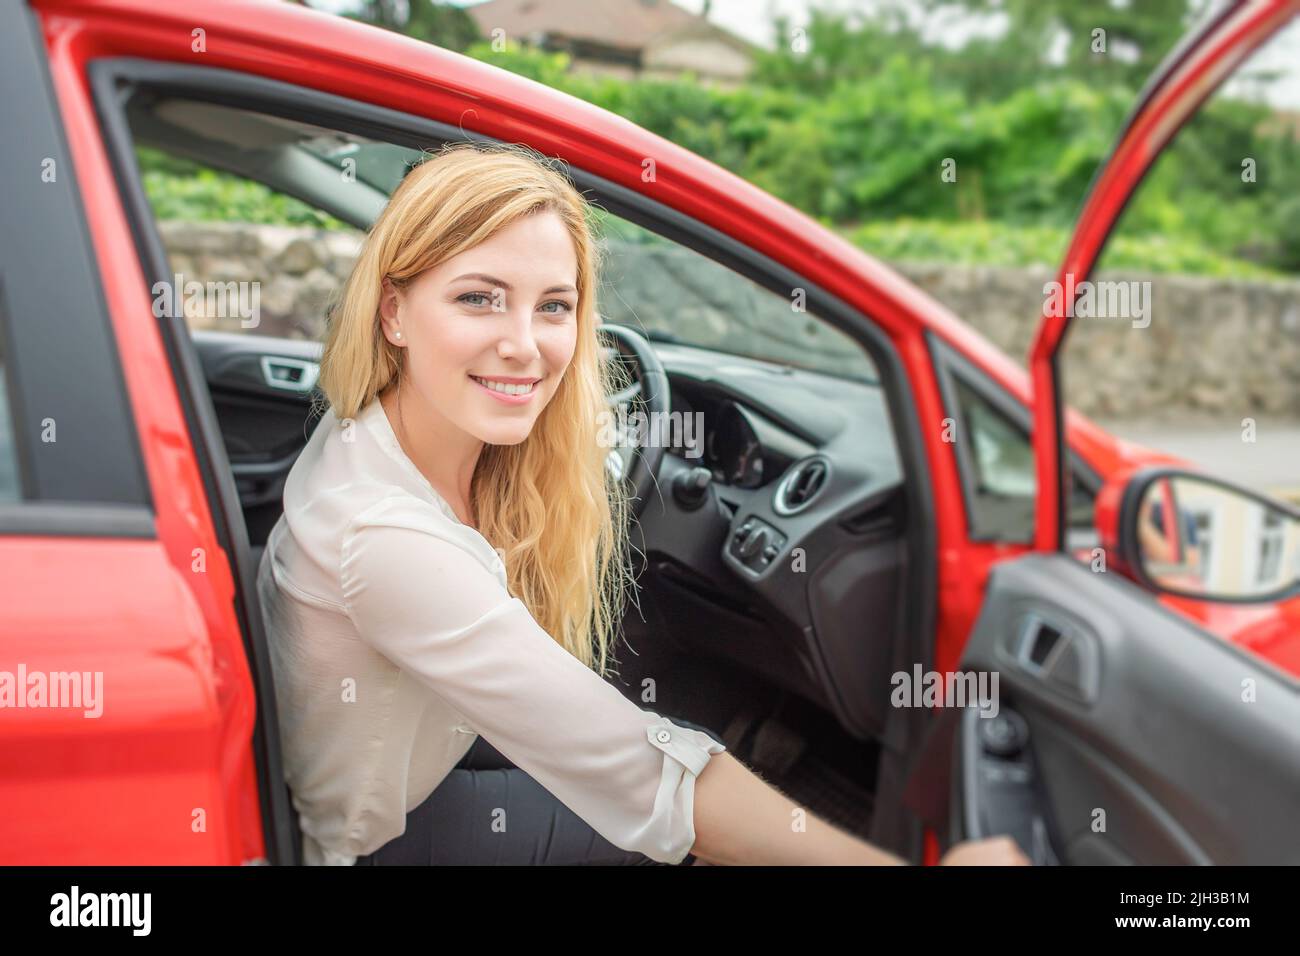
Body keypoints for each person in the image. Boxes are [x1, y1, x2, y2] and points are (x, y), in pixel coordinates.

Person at [256, 141, 1027, 867]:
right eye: (479, 298)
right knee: (663, 804)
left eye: (554, 307)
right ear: (393, 312)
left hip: (393, 766)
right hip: (369, 842)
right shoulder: (387, 536)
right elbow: (649, 780)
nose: (525, 345)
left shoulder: (380, 430)